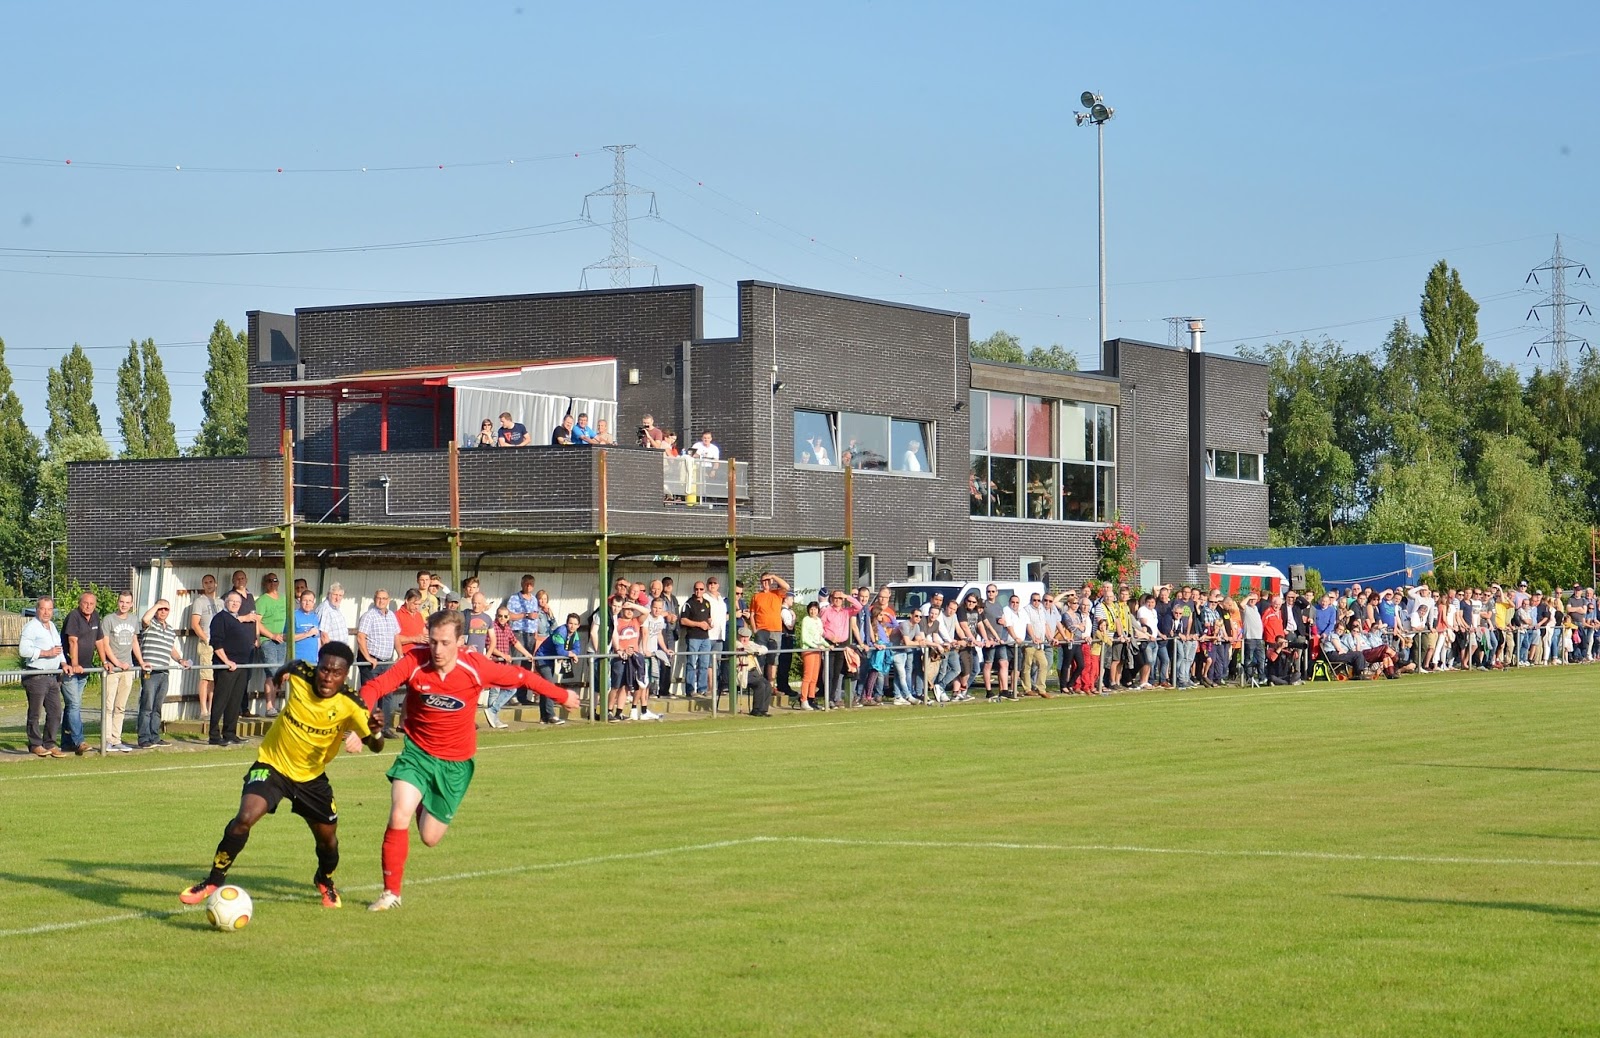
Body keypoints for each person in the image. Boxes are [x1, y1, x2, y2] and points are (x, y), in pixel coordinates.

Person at [358, 608, 582, 911]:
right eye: (433, 641)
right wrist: (359, 724)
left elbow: (523, 677)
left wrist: (561, 695)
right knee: (398, 814)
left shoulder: (477, 667)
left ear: (460, 642)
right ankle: (390, 893)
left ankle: (423, 802)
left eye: (445, 643)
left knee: (430, 837)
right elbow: (375, 686)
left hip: (455, 763)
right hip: (417, 754)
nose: (437, 649)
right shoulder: (414, 662)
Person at [179, 643, 382, 910]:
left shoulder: (352, 704)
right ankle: (214, 880)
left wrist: (376, 732)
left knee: (328, 841)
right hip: (272, 765)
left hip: (311, 778)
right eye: (324, 670)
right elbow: (289, 666)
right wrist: (277, 679)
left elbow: (375, 745)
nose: (328, 678)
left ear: (346, 675)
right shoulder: (300, 672)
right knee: (244, 818)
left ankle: (325, 880)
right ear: (317, 665)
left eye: (336, 673)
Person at [133, 599, 192, 749]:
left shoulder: (170, 629)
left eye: (166, 609)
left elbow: (170, 648)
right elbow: (144, 619)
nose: (163, 611)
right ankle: (143, 738)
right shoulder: (150, 624)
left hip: (164, 672)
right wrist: (157, 605)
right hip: (150, 672)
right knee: (147, 705)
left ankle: (155, 736)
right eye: (161, 609)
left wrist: (180, 659)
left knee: (157, 706)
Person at [209, 590, 257, 746]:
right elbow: (216, 643)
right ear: (226, 602)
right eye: (232, 601)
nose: (235, 604)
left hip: (242, 665)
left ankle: (230, 733)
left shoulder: (237, 620)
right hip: (226, 666)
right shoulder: (220, 619)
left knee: (235, 701)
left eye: (238, 602)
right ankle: (214, 735)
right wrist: (227, 661)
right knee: (221, 700)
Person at [21, 596, 67, 757]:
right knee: (35, 712)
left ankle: (50, 743)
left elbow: (58, 648)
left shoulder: (52, 626)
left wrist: (64, 663)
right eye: (43, 608)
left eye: (49, 609)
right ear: (37, 609)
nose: (46, 612)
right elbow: (24, 650)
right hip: (36, 675)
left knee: (55, 712)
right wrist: (46, 653)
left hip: (52, 676)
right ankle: (35, 744)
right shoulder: (31, 627)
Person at [97, 591, 140, 752]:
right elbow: (105, 644)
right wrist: (116, 662)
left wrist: (140, 662)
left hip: (127, 668)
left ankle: (116, 739)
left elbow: (134, 642)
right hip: (113, 668)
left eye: (127, 602)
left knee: (120, 706)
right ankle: (106, 740)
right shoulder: (109, 619)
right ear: (118, 602)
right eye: (122, 601)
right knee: (108, 705)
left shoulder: (134, 620)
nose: (124, 605)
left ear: (131, 604)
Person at [61, 591, 101, 756]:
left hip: (85, 669)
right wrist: (74, 663)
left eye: (92, 604)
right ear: (80, 603)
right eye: (85, 603)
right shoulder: (74, 616)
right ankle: (79, 741)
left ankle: (66, 742)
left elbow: (99, 640)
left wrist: (105, 661)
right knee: (75, 705)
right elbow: (72, 640)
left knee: (71, 706)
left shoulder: (95, 616)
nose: (88, 606)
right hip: (70, 669)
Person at [483, 605, 537, 728]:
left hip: (504, 665)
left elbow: (515, 642)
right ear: (496, 616)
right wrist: (503, 655)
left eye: (505, 616)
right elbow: (489, 646)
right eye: (500, 616)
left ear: (508, 618)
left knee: (510, 688)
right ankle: (493, 716)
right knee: (495, 691)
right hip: (494, 663)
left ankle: (493, 714)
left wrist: (527, 654)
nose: (502, 618)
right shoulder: (492, 627)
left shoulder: (507, 628)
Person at [533, 612, 582, 726]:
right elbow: (560, 651)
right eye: (570, 623)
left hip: (550, 660)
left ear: (578, 625)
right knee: (550, 686)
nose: (572, 626)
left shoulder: (575, 634)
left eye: (575, 624)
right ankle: (551, 715)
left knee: (546, 687)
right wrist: (571, 654)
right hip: (542, 659)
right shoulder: (561, 632)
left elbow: (577, 649)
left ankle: (544, 717)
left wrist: (572, 654)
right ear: (566, 623)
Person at [188, 573, 222, 721]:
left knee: (215, 678)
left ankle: (212, 709)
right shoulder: (199, 602)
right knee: (205, 677)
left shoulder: (221, 602)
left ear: (216, 584)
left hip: (220, 644)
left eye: (211, 582)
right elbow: (195, 624)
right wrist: (205, 638)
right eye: (205, 582)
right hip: (207, 643)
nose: (208, 584)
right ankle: (203, 710)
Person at [254, 573, 287, 717]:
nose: (272, 583)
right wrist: (271, 635)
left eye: (275, 580)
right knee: (272, 672)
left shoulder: (284, 599)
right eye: (269, 581)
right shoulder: (262, 600)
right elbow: (257, 622)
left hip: (282, 640)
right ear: (265, 584)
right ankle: (269, 706)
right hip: (268, 640)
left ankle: (275, 705)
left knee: (279, 674)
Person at [357, 589, 400, 692]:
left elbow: (396, 636)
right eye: (379, 598)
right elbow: (360, 637)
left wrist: (400, 655)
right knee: (370, 693)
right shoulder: (369, 616)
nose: (381, 601)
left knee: (386, 694)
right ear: (374, 599)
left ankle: (384, 709)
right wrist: (368, 657)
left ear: (388, 600)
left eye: (384, 598)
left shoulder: (391, 616)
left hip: (387, 662)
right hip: (371, 663)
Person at [733, 624, 773, 716]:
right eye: (742, 637)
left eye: (746, 637)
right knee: (760, 685)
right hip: (743, 672)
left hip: (754, 671)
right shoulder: (736, 643)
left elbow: (764, 649)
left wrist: (756, 650)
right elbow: (745, 649)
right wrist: (756, 650)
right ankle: (756, 709)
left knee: (767, 685)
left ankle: (763, 710)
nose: (744, 639)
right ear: (738, 636)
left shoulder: (750, 643)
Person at [292, 590, 322, 664]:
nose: (307, 603)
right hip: (298, 661)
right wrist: (307, 634)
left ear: (313, 603)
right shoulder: (294, 615)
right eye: (305, 600)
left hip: (313, 661)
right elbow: (286, 637)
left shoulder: (315, 617)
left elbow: (318, 639)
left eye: (310, 601)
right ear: (300, 601)